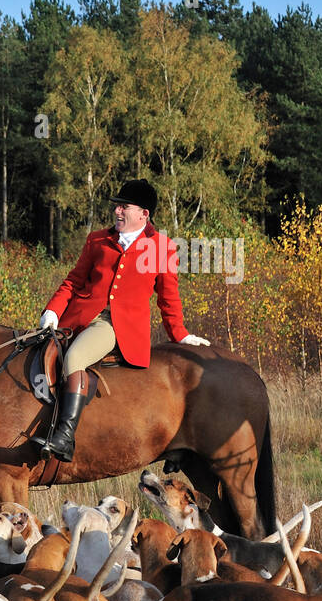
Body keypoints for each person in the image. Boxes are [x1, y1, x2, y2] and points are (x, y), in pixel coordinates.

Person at [31, 179, 210, 463]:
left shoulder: (161, 248)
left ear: (143, 214)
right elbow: (73, 281)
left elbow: (168, 299)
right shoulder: (97, 240)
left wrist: (181, 335)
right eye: (116, 206)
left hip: (114, 326)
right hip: (76, 318)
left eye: (124, 207)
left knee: (75, 357)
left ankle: (64, 437)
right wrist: (52, 311)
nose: (117, 211)